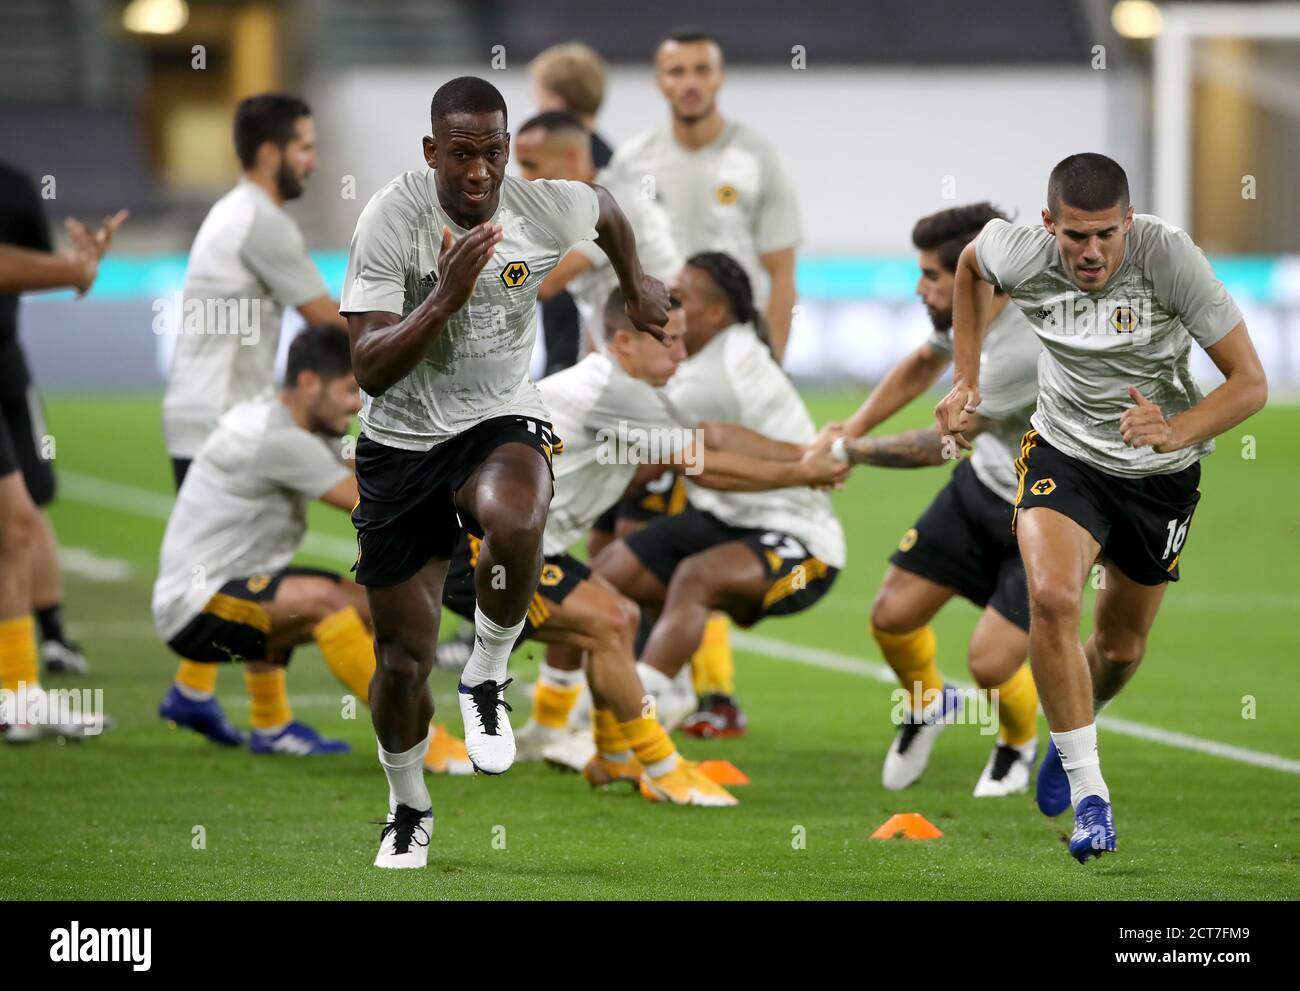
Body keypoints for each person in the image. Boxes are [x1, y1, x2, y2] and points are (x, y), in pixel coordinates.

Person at [339, 76, 670, 868]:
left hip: (497, 416)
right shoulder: (391, 218)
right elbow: (370, 367)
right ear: (432, 153)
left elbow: (609, 210)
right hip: (401, 442)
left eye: (494, 151)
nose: (481, 171)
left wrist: (634, 283)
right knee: (401, 662)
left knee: (519, 518)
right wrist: (442, 300)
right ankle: (408, 804)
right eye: (462, 155)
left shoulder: (541, 206)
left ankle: (488, 673)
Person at [935, 153, 1267, 861]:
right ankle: (1093, 797)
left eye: (1106, 235)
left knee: (1120, 648)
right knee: (1053, 596)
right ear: (1049, 223)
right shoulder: (1019, 250)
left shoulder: (1171, 259)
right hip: (1065, 453)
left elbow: (1249, 383)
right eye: (1076, 235)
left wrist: (1174, 429)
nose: (1091, 252)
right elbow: (969, 266)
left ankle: (1079, 718)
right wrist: (966, 378)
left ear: (1130, 221)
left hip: (1159, 471)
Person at [464, 290, 845, 801]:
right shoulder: (614, 393)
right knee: (611, 621)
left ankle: (610, 759)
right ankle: (664, 770)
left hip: (522, 544)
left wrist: (804, 451)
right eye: (669, 341)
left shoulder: (627, 387)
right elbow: (705, 465)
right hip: (480, 549)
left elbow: (712, 437)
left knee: (618, 615)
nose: (682, 354)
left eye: (684, 340)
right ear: (623, 342)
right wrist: (801, 472)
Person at [822, 203, 1042, 796]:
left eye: (931, 277)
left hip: (1044, 516)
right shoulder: (971, 308)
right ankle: (929, 703)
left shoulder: (1027, 344)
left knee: (992, 664)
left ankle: (1018, 741)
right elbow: (925, 361)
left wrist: (845, 456)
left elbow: (940, 442)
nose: (919, 288)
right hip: (981, 489)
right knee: (891, 617)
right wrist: (853, 428)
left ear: (976, 275)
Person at [156, 93, 350, 749]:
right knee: (252, 571)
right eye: (305, 147)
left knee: (255, 562)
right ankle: (265, 719)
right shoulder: (262, 221)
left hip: (204, 410)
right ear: (271, 153)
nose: (314, 162)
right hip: (220, 418)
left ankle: (199, 694)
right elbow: (329, 321)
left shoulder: (232, 213)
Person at [593, 254, 847, 730]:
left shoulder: (717, 373)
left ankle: (639, 716)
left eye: (683, 295)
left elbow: (689, 462)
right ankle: (595, 704)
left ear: (715, 313)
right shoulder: (705, 355)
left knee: (695, 576)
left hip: (798, 541)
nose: (671, 297)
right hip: (723, 520)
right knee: (605, 576)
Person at [0, 207, 125, 742]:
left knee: (17, 521)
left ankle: (18, 693)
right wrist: (72, 269)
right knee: (16, 522)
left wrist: (70, 265)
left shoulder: (14, 186)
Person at [609, 29, 800, 360]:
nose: (690, 83)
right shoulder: (632, 161)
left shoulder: (759, 158)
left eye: (701, 70)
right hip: (657, 341)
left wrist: (775, 363)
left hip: (734, 343)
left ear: (720, 77)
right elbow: (610, 265)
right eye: (676, 71)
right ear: (659, 81)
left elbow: (782, 273)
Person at [528, 42, 615, 374]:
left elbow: (548, 280)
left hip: (583, 349)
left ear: (554, 102)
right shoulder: (611, 162)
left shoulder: (595, 176)